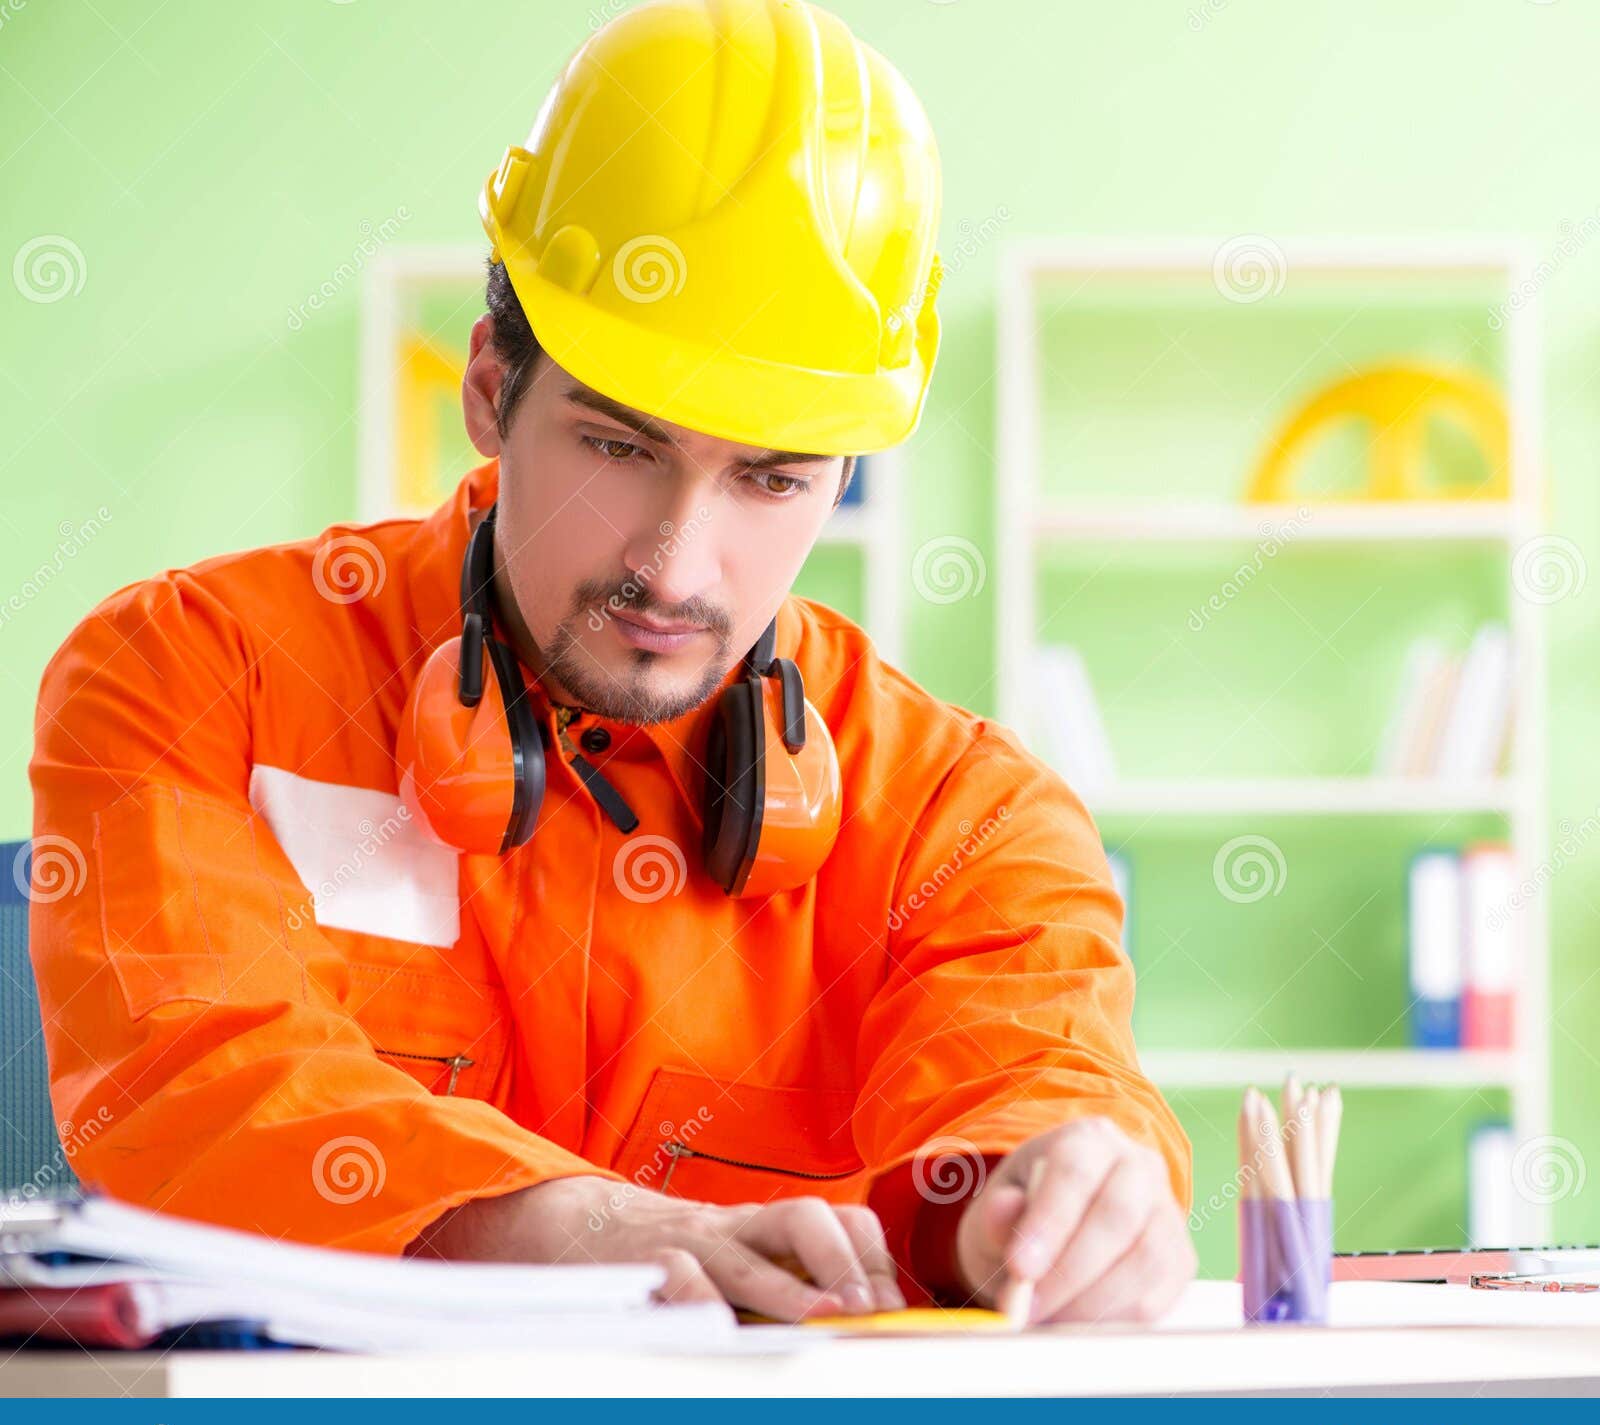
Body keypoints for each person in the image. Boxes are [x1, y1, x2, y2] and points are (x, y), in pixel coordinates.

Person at [28, 0, 1194, 1325]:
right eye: (620, 446)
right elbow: (192, 1074)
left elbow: (1041, 1076)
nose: (680, 568)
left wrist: (1065, 1203)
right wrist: (571, 1226)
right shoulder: (190, 678)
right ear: (489, 388)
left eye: (772, 477)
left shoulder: (963, 821)